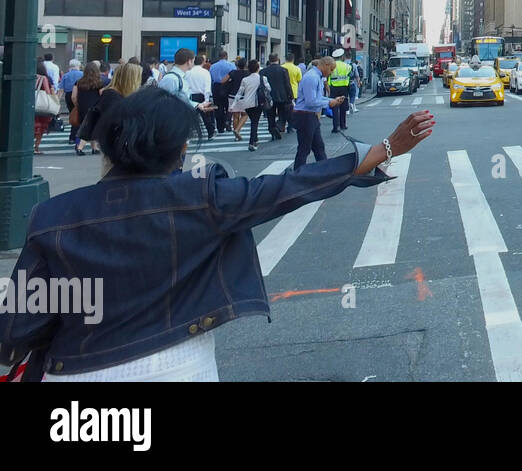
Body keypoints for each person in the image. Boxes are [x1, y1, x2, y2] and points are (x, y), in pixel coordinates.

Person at [0, 86, 434, 381]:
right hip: (179, 368)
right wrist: (387, 148)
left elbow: (17, 326)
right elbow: (291, 187)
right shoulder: (205, 199)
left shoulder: (51, 217)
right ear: (180, 149)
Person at [84, 62, 144, 175]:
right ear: (130, 79)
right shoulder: (112, 96)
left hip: (116, 144)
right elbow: (114, 123)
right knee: (112, 175)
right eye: (137, 78)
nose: (139, 82)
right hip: (115, 145)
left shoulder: (112, 94)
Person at [293, 56, 350, 170]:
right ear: (326, 65)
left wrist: (332, 100)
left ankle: (325, 171)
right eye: (331, 69)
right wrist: (329, 103)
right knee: (304, 148)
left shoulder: (316, 77)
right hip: (305, 115)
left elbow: (318, 98)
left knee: (318, 147)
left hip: (310, 116)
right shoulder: (312, 78)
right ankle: (297, 174)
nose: (331, 72)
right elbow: (311, 101)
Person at [231, 60, 273, 151]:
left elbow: (239, 93)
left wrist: (234, 104)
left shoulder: (245, 80)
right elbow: (269, 89)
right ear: (258, 68)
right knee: (255, 122)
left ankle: (255, 139)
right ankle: (251, 142)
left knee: (253, 121)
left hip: (247, 103)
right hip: (258, 102)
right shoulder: (263, 78)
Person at [71, 61, 106, 156]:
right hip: (94, 107)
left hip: (82, 107)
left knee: (90, 126)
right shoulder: (99, 82)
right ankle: (80, 148)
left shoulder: (78, 82)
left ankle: (94, 148)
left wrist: (77, 104)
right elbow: (102, 95)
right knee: (89, 128)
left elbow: (73, 96)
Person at [187, 53, 216, 139]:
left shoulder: (188, 72)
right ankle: (210, 132)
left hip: (191, 95)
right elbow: (207, 87)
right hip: (202, 95)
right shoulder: (205, 72)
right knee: (206, 116)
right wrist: (206, 99)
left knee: (191, 116)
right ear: (203, 62)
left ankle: (189, 134)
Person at [264, 54, 293, 138]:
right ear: (278, 59)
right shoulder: (283, 70)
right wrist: (290, 95)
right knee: (282, 114)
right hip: (282, 95)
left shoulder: (264, 71)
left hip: (268, 96)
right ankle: (279, 126)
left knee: (270, 114)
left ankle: (272, 128)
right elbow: (287, 84)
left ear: (269, 60)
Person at [208, 51, 236, 134]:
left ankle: (220, 127)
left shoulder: (213, 66)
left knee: (218, 107)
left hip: (216, 87)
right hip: (228, 86)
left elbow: (211, 78)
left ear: (219, 57)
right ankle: (227, 121)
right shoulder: (231, 65)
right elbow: (233, 76)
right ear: (226, 56)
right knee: (228, 106)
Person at [58, 60, 84, 144]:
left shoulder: (65, 75)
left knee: (72, 114)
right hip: (79, 95)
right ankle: (75, 136)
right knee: (79, 115)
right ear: (78, 66)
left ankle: (73, 136)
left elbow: (61, 89)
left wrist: (57, 100)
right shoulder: (82, 74)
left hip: (68, 96)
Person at [33, 61, 56, 156]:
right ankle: (36, 147)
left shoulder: (32, 76)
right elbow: (47, 91)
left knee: (32, 125)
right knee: (40, 127)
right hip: (41, 105)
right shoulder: (43, 78)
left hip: (30, 103)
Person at [328, 49, 352, 133]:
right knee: (343, 107)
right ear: (342, 57)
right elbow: (349, 76)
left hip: (333, 88)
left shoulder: (331, 66)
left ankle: (336, 127)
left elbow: (328, 78)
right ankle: (343, 125)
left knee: (335, 107)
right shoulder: (347, 66)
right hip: (344, 88)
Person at [226, 58, 250, 140]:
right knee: (245, 114)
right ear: (245, 65)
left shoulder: (232, 73)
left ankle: (236, 136)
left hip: (232, 95)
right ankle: (237, 130)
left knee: (235, 116)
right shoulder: (248, 73)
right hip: (244, 96)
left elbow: (223, 81)